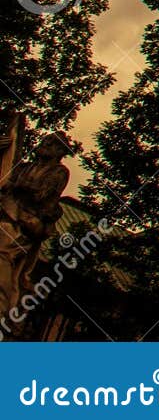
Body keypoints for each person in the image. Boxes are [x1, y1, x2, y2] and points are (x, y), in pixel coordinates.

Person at [0, 132, 71, 318]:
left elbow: (40, 194)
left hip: (27, 224)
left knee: (3, 255)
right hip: (9, 216)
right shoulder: (24, 167)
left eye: (51, 143)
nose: (45, 144)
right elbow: (6, 183)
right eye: (45, 141)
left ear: (60, 151)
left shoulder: (59, 172)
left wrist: (15, 186)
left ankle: (2, 307)